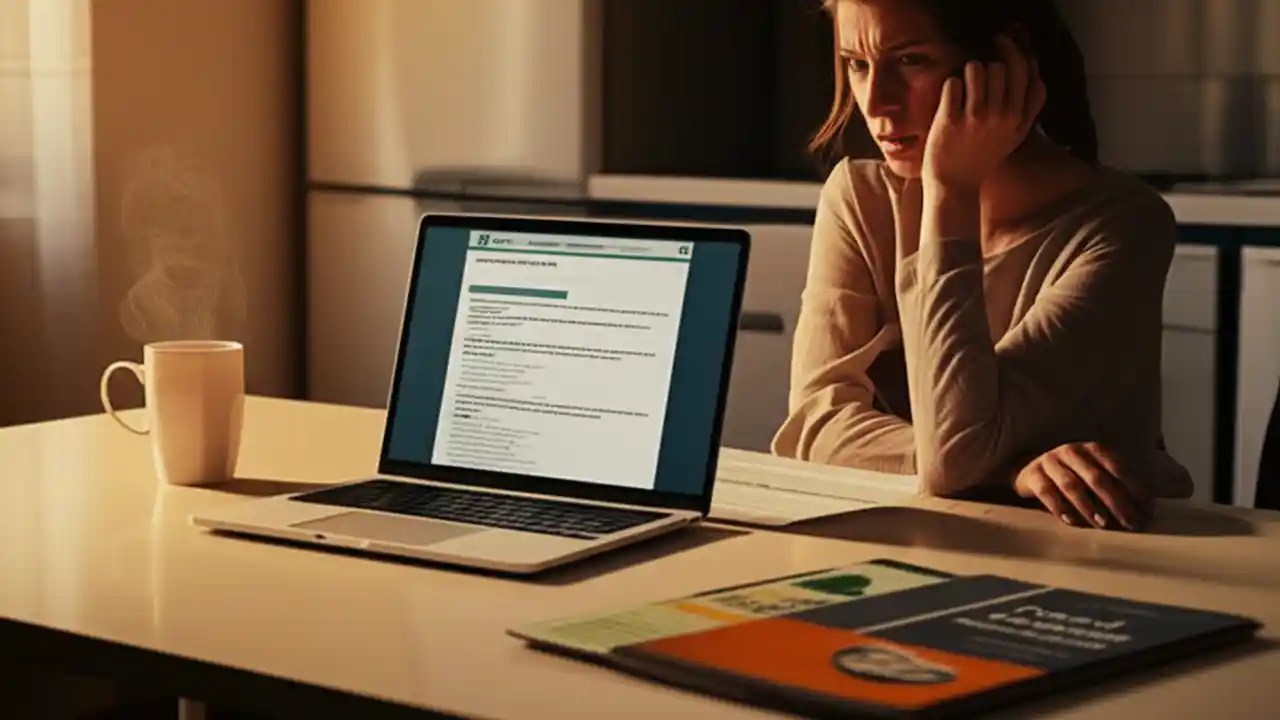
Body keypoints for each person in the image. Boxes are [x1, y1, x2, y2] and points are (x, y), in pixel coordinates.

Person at [771, 0, 1194, 531]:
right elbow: (814, 426)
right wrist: (1011, 470)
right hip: (935, 533)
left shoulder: (1122, 225)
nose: (876, 102)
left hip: (1112, 548)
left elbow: (957, 456)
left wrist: (951, 189)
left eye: (910, 61)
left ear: (1003, 62)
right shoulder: (861, 198)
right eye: (857, 64)